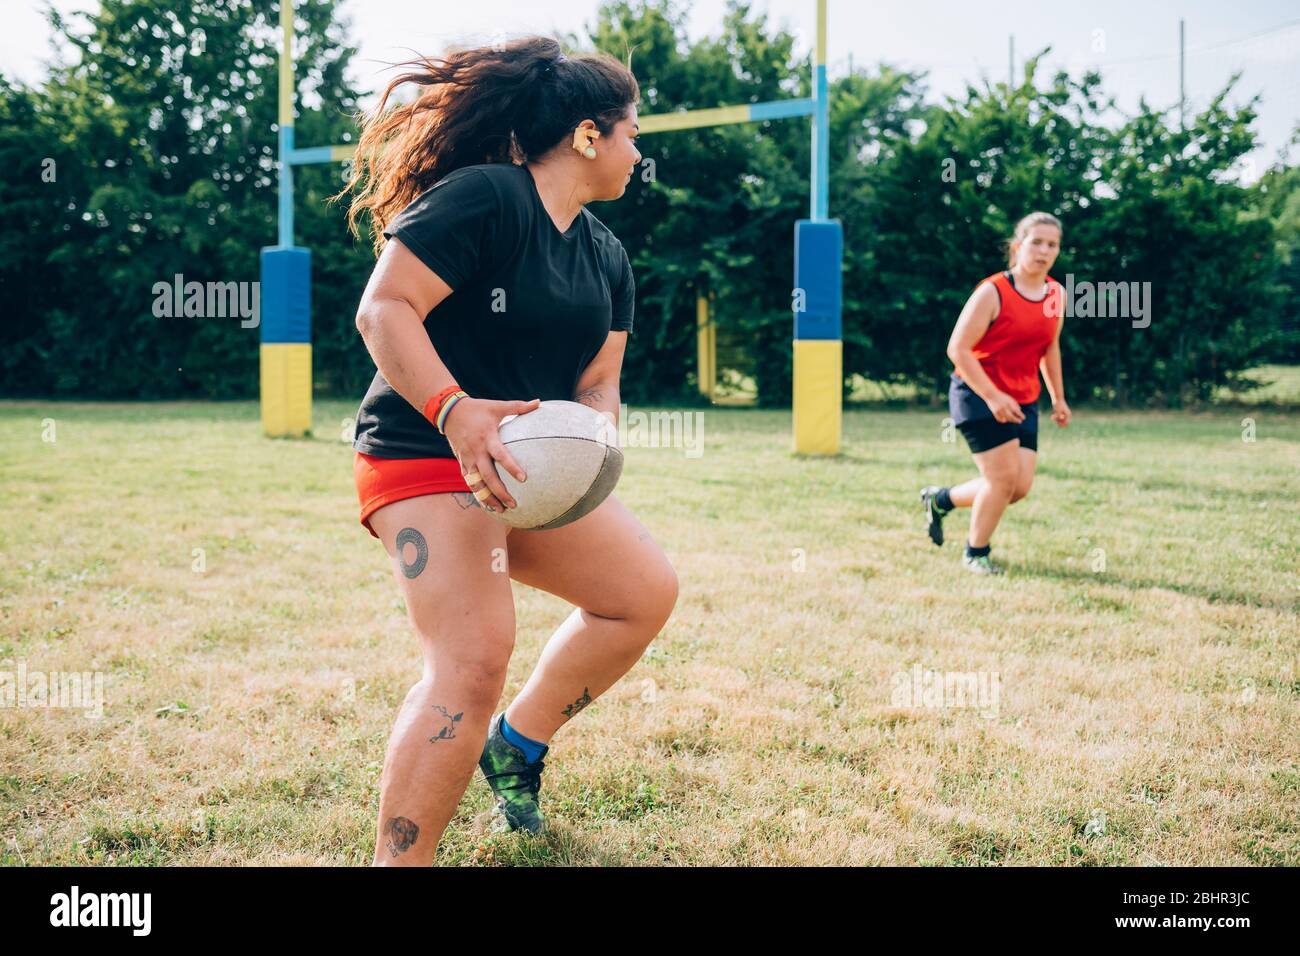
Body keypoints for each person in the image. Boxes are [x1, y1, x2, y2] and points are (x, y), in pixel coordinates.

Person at [339, 37, 678, 865]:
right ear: (590, 136)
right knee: (471, 661)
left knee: (642, 593)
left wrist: (592, 443)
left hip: (527, 473)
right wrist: (457, 413)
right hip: (426, 448)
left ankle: (515, 746)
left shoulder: (606, 254)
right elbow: (385, 311)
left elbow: (600, 380)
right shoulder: (486, 198)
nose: (643, 152)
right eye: (635, 132)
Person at [921, 212, 1072, 574]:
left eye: (1052, 245)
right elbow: (958, 348)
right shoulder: (992, 291)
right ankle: (976, 553)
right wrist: (992, 396)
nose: (1044, 250)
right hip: (977, 393)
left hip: (1023, 397)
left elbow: (1049, 347)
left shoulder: (1056, 293)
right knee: (1001, 480)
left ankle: (940, 499)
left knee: (1017, 488)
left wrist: (1058, 397)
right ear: (1018, 246)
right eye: (1036, 242)